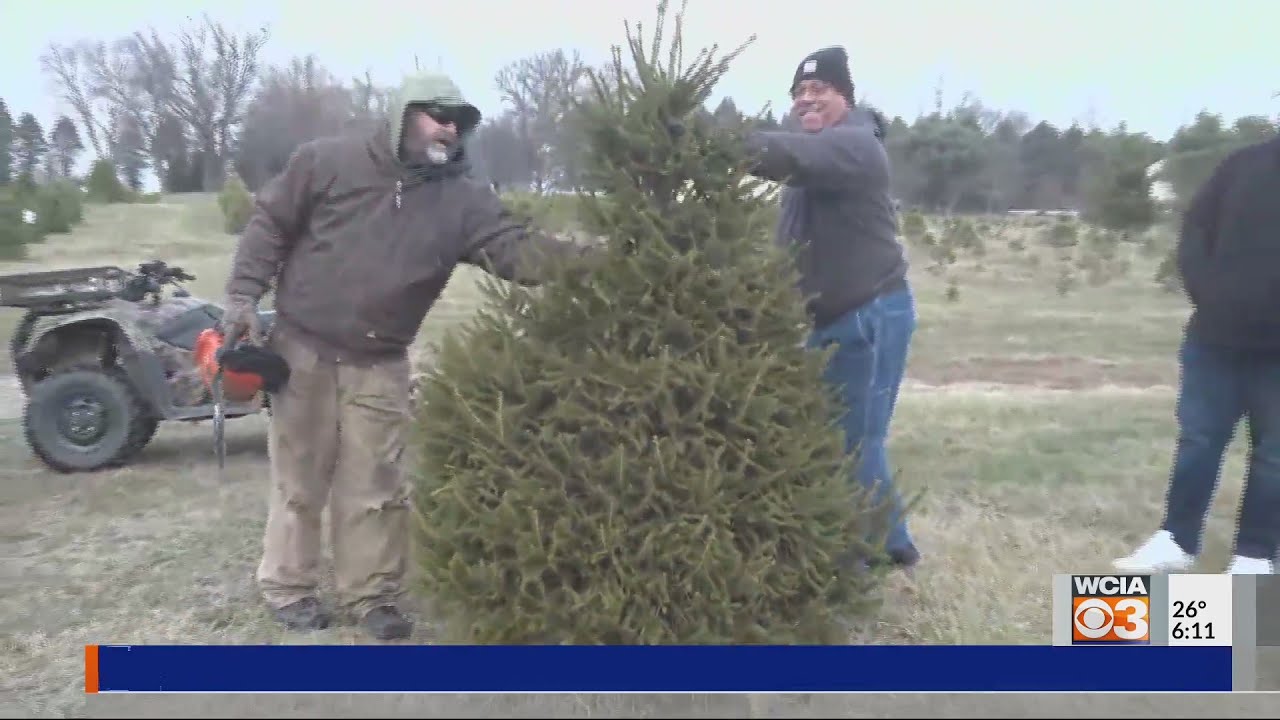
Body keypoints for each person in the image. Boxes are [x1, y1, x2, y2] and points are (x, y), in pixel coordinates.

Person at [220, 72, 589, 639]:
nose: (450, 128)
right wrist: (243, 295)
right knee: (300, 477)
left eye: (459, 121)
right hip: (303, 347)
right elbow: (269, 222)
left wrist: (595, 261)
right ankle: (290, 587)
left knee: (375, 483)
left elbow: (517, 249)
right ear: (402, 114)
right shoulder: (327, 162)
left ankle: (371, 596)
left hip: (381, 361)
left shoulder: (462, 200)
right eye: (439, 115)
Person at [741, 46, 920, 568]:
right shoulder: (817, 154)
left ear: (846, 96)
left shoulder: (856, 146)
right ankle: (894, 544)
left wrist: (713, 143)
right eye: (799, 92)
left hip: (869, 312)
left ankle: (849, 562)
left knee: (847, 441)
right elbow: (790, 233)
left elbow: (791, 156)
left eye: (819, 89)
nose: (806, 99)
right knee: (857, 436)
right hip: (836, 315)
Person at [1114, 135, 1280, 576]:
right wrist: (1210, 296)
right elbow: (1196, 231)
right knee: (1199, 441)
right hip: (1215, 339)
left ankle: (1255, 555)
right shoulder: (1242, 164)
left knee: (1274, 456)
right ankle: (1176, 540)